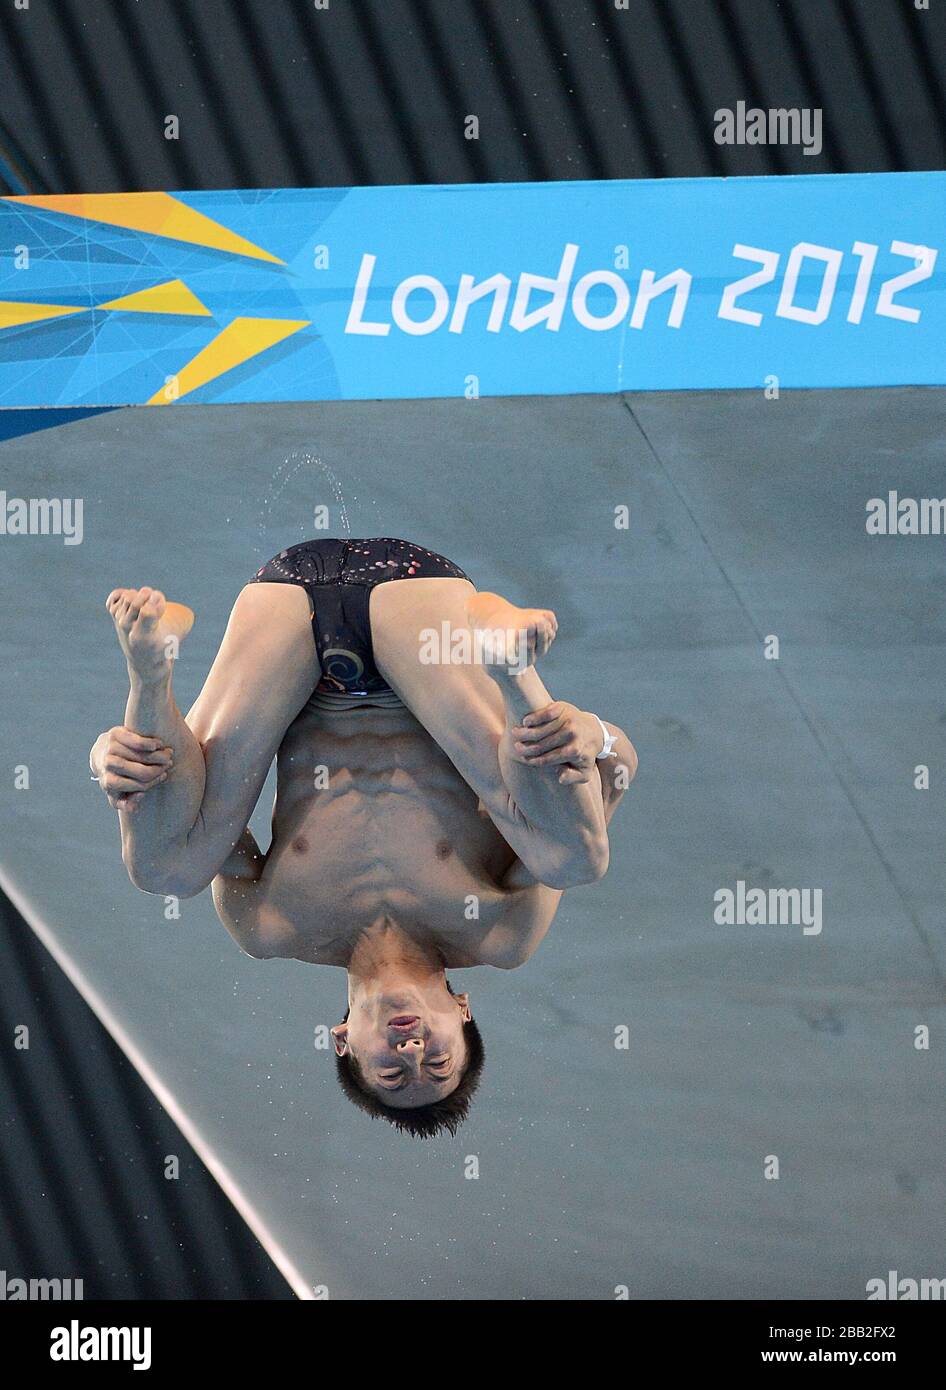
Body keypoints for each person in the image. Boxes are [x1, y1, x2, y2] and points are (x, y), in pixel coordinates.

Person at [90, 537, 637, 1137]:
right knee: (572, 861)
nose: (411, 1053)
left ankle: (148, 676)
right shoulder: (501, 934)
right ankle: (511, 669)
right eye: (438, 1061)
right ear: (462, 1012)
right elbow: (608, 781)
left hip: (287, 618)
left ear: (344, 1040)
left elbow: (189, 813)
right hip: (420, 617)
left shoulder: (272, 927)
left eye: (393, 1074)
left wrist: (107, 762)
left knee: (165, 871)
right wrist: (595, 735)